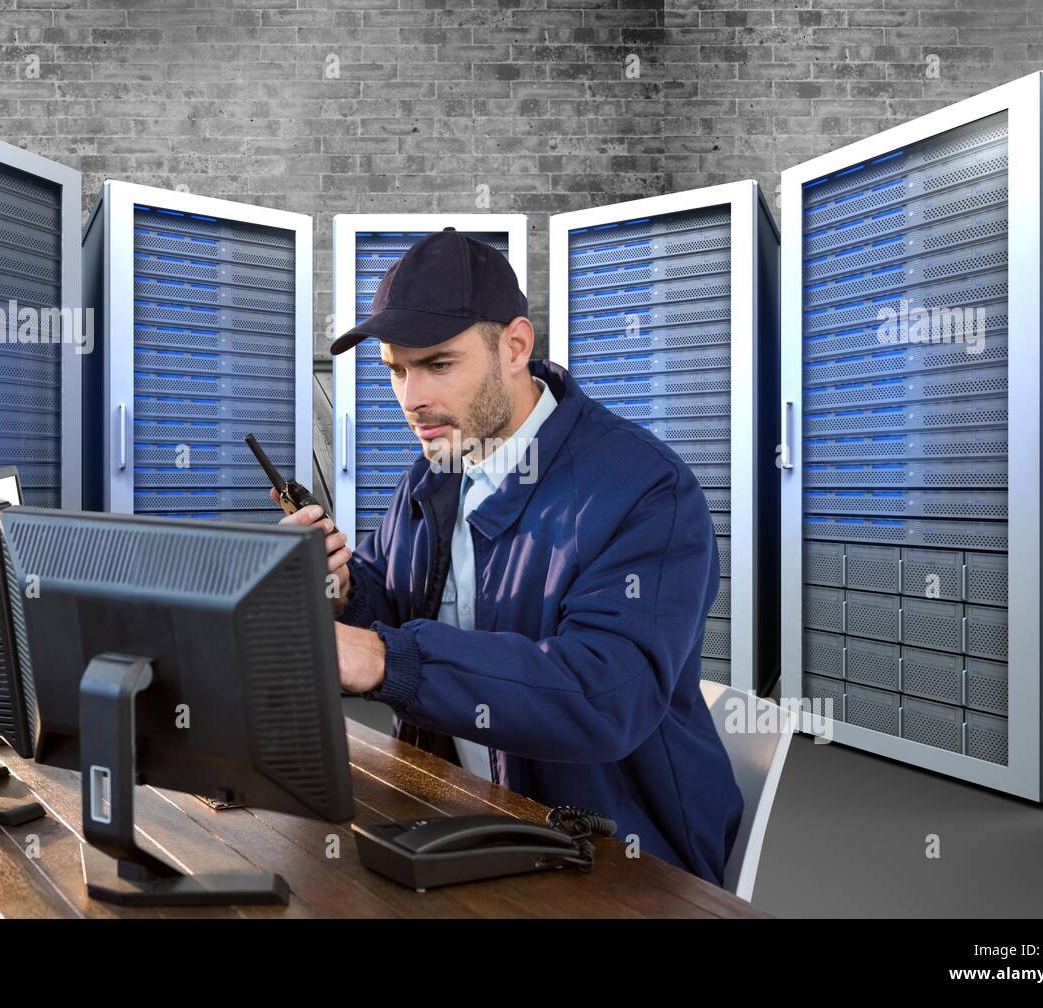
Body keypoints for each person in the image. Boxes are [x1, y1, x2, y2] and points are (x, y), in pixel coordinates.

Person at [279, 228, 743, 885]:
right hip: (461, 813)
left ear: (515, 347)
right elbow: (392, 597)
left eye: (438, 364)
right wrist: (337, 584)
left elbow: (604, 694)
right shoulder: (434, 470)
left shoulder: (646, 490)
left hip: (618, 853)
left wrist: (383, 657)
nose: (411, 399)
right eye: (396, 369)